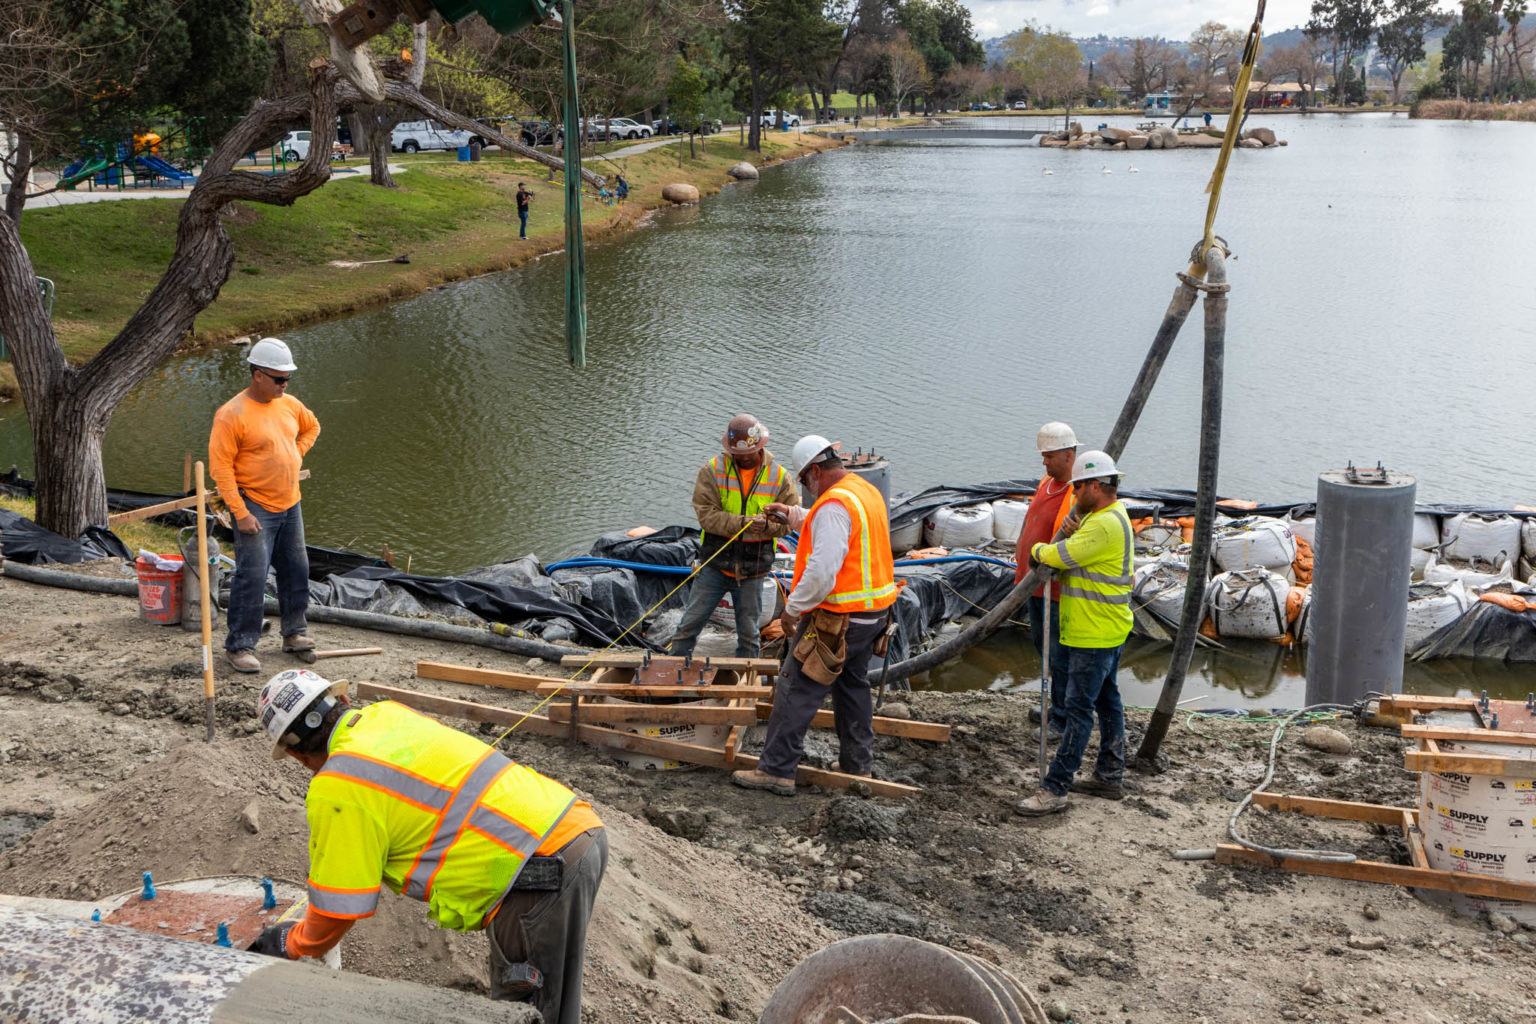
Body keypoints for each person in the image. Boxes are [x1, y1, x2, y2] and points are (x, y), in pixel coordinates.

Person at [247, 669, 606, 1024]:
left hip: (538, 871)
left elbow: (339, 905)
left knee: (526, 1012)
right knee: (551, 998)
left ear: (298, 756)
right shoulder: (389, 714)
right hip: (564, 832)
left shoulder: (339, 784)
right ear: (342, 700)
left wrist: (291, 942)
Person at [732, 435, 899, 795]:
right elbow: (834, 526)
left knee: (796, 687)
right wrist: (795, 516)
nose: (807, 489)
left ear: (817, 472)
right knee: (852, 685)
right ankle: (858, 764)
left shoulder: (834, 506)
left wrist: (793, 610)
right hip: (874, 614)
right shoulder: (862, 491)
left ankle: (776, 770)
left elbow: (822, 571)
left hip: (837, 618)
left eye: (806, 480)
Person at [1016, 451, 1134, 816]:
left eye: (1078, 486)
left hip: (1092, 631)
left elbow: (1055, 557)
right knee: (1107, 701)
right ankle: (1109, 774)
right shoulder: (1112, 515)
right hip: (1107, 628)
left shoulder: (1102, 525)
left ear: (1095, 485)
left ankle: (1055, 787)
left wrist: (1038, 550)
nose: (1074, 492)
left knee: (1079, 710)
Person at [209, 338, 319, 675]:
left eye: (288, 379)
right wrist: (239, 512)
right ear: (257, 375)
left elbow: (312, 426)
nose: (284, 385)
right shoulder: (232, 414)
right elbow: (220, 468)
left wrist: (296, 452)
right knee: (252, 577)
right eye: (278, 379)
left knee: (296, 569)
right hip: (255, 506)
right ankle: (240, 645)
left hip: (290, 503)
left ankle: (294, 633)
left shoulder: (287, 404)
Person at [669, 415, 799, 659]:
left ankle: (745, 684)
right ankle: (670, 675)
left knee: (749, 634)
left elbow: (788, 523)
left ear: (760, 446)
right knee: (688, 626)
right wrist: (744, 524)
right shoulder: (712, 471)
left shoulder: (780, 478)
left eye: (749, 453)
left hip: (753, 571)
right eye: (738, 454)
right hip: (714, 566)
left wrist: (767, 527)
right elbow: (706, 516)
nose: (743, 458)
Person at [1014, 422, 1078, 742]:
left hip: (1055, 589)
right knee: (1044, 649)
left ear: (1069, 456)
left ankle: (1063, 718)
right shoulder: (1046, 482)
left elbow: (1068, 547)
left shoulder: (1076, 495)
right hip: (1033, 584)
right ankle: (1055, 707)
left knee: (1059, 654)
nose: (1044, 462)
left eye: (1049, 456)